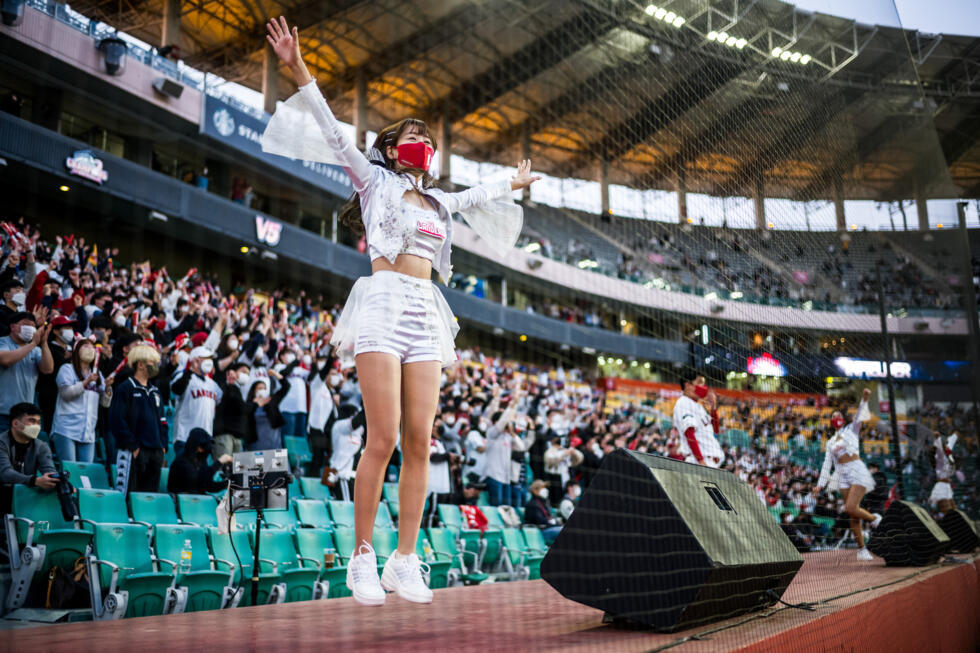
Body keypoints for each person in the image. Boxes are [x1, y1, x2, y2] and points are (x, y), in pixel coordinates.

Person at [261, 16, 538, 607]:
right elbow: (332, 127)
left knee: (421, 439)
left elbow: (477, 196)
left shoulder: (438, 199)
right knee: (381, 437)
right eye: (413, 134)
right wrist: (296, 66)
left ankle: (404, 559)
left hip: (426, 309)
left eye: (426, 137)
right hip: (383, 301)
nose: (424, 142)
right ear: (390, 148)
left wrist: (512, 183)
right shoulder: (373, 180)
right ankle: (363, 554)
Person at [814, 388, 882, 561]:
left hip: (856, 470)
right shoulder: (830, 442)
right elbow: (826, 464)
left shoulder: (851, 430)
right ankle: (862, 549)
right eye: (833, 416)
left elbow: (859, 416)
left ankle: (875, 519)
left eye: (838, 415)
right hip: (842, 475)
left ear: (842, 419)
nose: (835, 418)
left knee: (851, 507)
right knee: (852, 513)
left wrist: (865, 399)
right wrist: (820, 485)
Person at [109, 344, 168, 493]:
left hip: (155, 453)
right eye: (152, 362)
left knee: (149, 498)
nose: (156, 366)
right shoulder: (125, 388)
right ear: (140, 364)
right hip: (134, 451)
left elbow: (163, 421)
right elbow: (117, 421)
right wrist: (133, 447)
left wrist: (163, 446)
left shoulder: (155, 391)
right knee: (129, 497)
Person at [51, 338, 112, 462]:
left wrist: (108, 387)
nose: (90, 349)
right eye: (85, 346)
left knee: (85, 474)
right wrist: (86, 382)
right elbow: (66, 394)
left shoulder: (98, 374)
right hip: (66, 429)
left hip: (88, 433)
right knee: (70, 472)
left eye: (92, 347)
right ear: (76, 350)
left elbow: (105, 403)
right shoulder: (67, 369)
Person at [0, 312, 54, 433]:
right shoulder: (3, 342)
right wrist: (33, 343)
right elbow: (5, 360)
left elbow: (48, 369)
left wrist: (44, 343)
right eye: (25, 324)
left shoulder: (36, 350)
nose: (30, 329)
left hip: (26, 415)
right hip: (3, 413)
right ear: (13, 327)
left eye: (32, 326)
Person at [0, 403, 56, 516]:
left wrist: (57, 480)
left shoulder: (41, 446)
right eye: (32, 421)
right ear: (15, 423)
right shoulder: (1, 443)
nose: (36, 426)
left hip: (25, 494)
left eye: (39, 422)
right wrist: (34, 481)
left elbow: (49, 470)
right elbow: (5, 473)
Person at [170, 346, 223, 458]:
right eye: (206, 358)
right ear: (195, 359)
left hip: (205, 439)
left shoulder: (212, 384)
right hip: (185, 437)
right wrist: (190, 371)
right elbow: (176, 389)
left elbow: (222, 401)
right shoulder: (183, 376)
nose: (210, 361)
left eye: (210, 358)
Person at [671, 370, 724, 468]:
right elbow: (689, 433)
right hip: (698, 461)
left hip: (708, 461)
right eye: (699, 382)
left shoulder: (698, 406)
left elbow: (715, 431)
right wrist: (701, 461)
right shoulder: (683, 403)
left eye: (703, 383)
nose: (703, 386)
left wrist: (713, 409)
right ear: (687, 385)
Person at [167, 427, 233, 494]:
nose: (202, 451)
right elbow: (198, 481)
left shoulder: (200, 460)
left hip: (197, 500)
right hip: (182, 500)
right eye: (201, 448)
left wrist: (228, 483)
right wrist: (219, 462)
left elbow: (208, 486)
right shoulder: (181, 462)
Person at [244, 368, 290, 451]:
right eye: (259, 388)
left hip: (274, 444)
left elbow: (286, 387)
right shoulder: (249, 405)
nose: (262, 390)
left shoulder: (271, 401)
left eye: (264, 388)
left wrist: (276, 374)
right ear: (254, 391)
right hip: (256, 445)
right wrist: (255, 404)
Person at [213, 362, 250, 462]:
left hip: (237, 435)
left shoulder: (239, 390)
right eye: (243, 372)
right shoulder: (224, 385)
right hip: (224, 434)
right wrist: (230, 382)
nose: (244, 375)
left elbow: (243, 409)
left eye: (247, 373)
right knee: (223, 470)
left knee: (236, 472)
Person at [523, 479, 562, 544]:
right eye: (542, 488)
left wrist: (555, 522)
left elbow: (549, 518)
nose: (545, 490)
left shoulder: (543, 502)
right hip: (539, 532)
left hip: (548, 529)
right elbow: (540, 521)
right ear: (535, 491)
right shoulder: (531, 504)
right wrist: (552, 523)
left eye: (545, 488)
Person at [928, 432, 957, 515]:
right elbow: (940, 449)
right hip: (942, 487)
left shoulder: (946, 456)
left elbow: (950, 445)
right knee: (947, 510)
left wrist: (954, 436)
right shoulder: (939, 459)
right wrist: (937, 438)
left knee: (954, 510)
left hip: (947, 486)